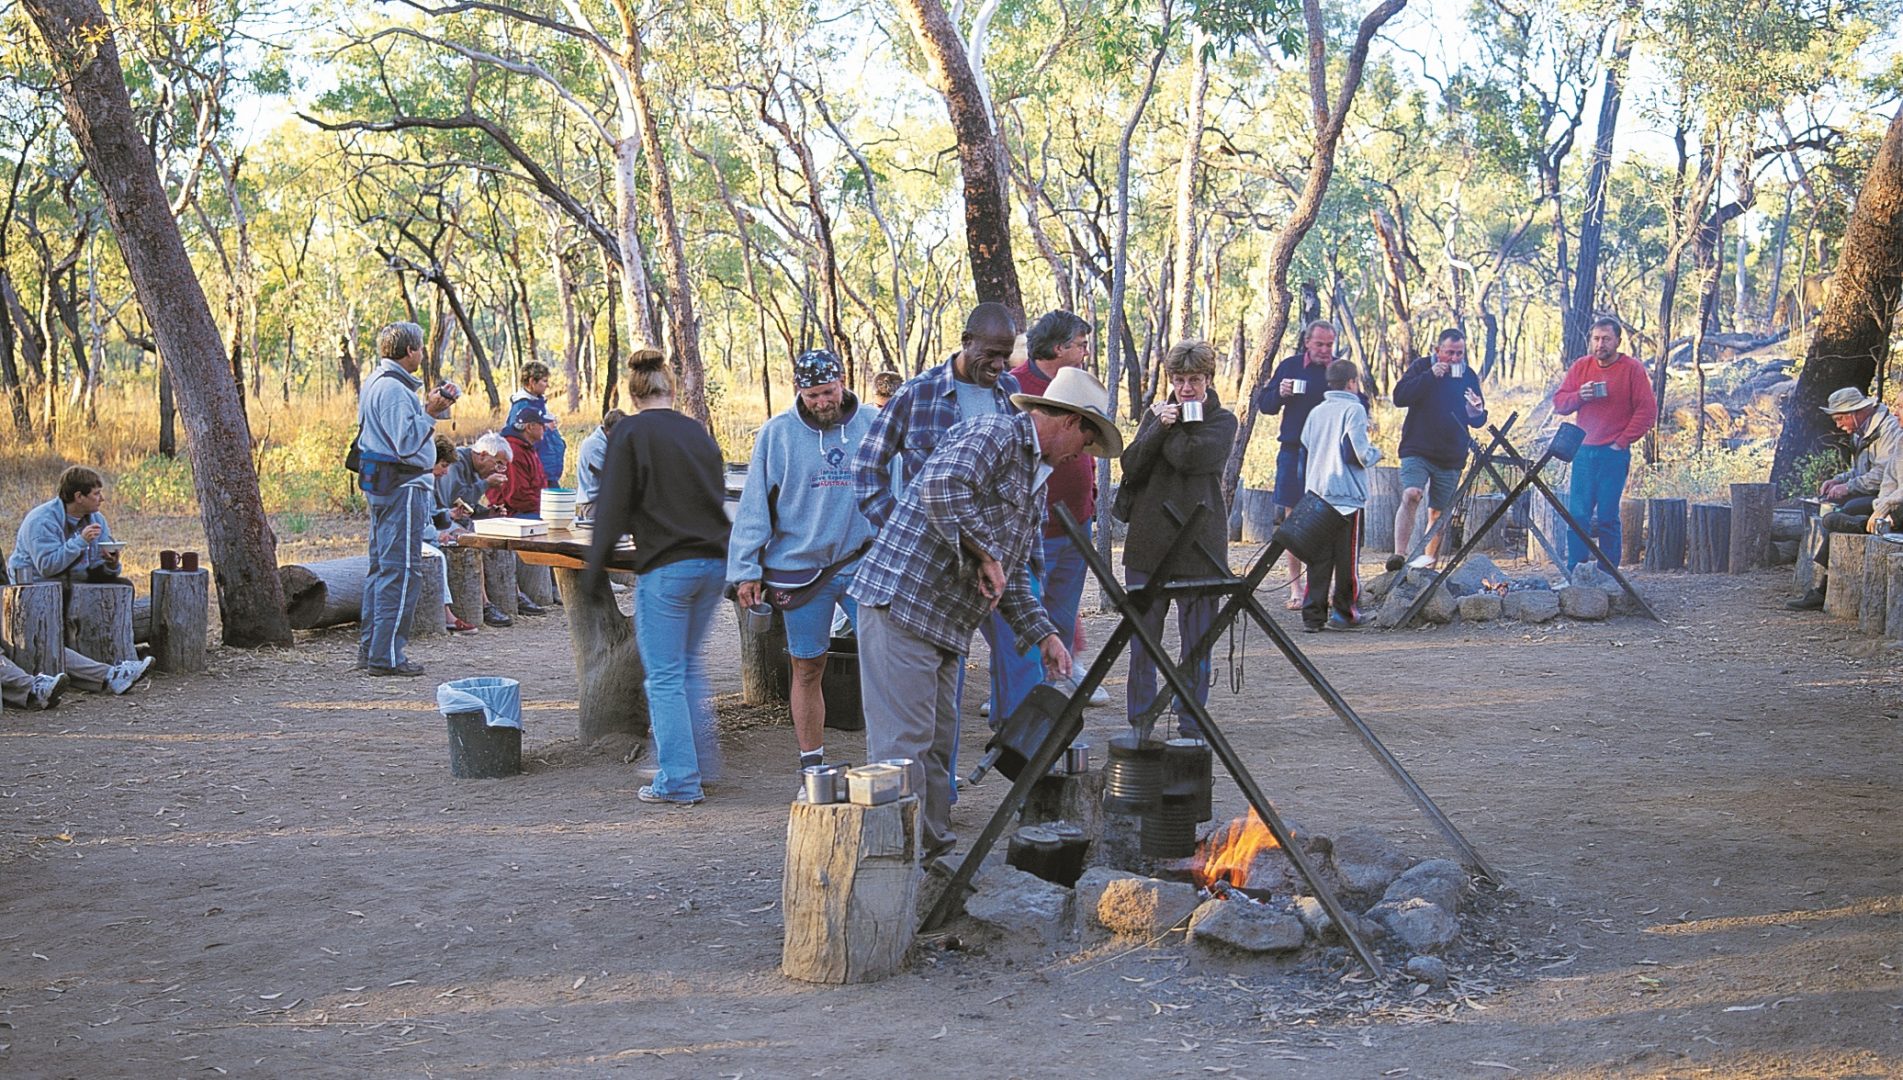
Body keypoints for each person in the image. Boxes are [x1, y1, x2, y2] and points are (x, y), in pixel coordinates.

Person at [851, 365, 1120, 857]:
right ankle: (890, 866)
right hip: (901, 604)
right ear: (1068, 422)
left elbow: (1011, 573)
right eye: (1086, 441)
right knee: (903, 748)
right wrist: (984, 552)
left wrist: (1044, 635)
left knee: (937, 748)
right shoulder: (994, 434)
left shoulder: (1036, 479)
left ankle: (932, 858)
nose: (1081, 454)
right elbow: (941, 488)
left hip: (945, 621)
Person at [853, 303, 1041, 726]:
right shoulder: (917, 394)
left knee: (1022, 659)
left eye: (1005, 355)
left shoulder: (1012, 397)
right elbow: (867, 466)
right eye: (990, 353)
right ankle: (943, 770)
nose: (998, 364)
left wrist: (1026, 559)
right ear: (966, 342)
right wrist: (895, 531)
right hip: (934, 570)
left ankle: (1018, 754)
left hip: (996, 564)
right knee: (936, 699)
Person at [582, 347, 732, 807]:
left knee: (664, 676)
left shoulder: (629, 432)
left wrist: (594, 569)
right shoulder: (697, 432)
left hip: (667, 567)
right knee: (685, 666)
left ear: (633, 394)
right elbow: (715, 492)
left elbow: (612, 506)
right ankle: (698, 763)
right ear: (671, 389)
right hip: (713, 562)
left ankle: (679, 780)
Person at [728, 350, 876, 772]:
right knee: (808, 666)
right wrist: (745, 570)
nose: (822, 402)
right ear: (798, 391)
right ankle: (812, 766)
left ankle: (890, 760)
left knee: (886, 665)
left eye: (828, 392)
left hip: (862, 561)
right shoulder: (777, 434)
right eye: (812, 396)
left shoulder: (871, 423)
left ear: (842, 381)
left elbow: (897, 485)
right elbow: (754, 506)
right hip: (801, 570)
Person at [1119, 340, 1240, 733]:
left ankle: (1190, 722)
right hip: (1148, 543)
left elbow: (1190, 457)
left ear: (1208, 379)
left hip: (1200, 545)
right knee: (1143, 642)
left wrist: (1169, 426)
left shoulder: (1223, 421)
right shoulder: (1157, 416)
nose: (1186, 388)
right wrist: (1157, 425)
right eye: (1178, 380)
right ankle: (1141, 721)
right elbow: (1131, 465)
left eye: (1194, 380)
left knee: (1197, 643)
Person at [1012, 310, 1110, 708]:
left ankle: (1061, 678)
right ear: (1058, 348)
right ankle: (1018, 691)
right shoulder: (1016, 386)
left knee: (1064, 609)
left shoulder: (1081, 387)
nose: (1086, 353)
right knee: (1025, 604)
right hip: (1034, 526)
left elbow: (1086, 450)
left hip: (1076, 520)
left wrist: (1091, 495)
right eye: (1081, 345)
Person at [354, 320, 455, 676]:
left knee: (382, 568)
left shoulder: (375, 381)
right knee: (401, 571)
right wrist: (429, 414)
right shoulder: (395, 390)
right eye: (420, 348)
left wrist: (427, 409)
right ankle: (387, 657)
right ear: (409, 350)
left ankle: (372, 649)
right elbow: (406, 443)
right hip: (403, 487)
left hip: (383, 484)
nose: (422, 354)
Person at [7, 466, 155, 694]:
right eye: (96, 493)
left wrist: (111, 563)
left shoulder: (96, 519)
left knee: (122, 586)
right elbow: (47, 567)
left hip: (75, 583)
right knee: (48, 633)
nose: (101, 499)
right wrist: (80, 542)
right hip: (36, 587)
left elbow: (96, 570)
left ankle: (115, 654)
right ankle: (107, 672)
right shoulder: (42, 520)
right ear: (79, 496)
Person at [1552, 317, 1658, 571]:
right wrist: (1580, 395)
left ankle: (1608, 574)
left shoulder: (1632, 369)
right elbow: (1559, 403)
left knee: (1608, 517)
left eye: (1606, 339)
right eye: (1596, 339)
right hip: (1583, 451)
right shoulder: (1581, 366)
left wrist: (1622, 442)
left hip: (1613, 453)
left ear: (1618, 341)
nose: (1600, 344)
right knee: (1578, 515)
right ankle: (1575, 571)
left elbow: (1647, 411)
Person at [1254, 320, 1343, 609]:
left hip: (1328, 454)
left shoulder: (1339, 370)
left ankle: (1324, 588)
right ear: (1307, 342)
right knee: (1293, 519)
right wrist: (1280, 393)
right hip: (1293, 451)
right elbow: (1265, 405)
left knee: (1328, 519)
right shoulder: (1290, 366)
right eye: (1320, 344)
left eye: (1329, 345)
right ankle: (1295, 587)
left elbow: (1361, 402)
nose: (1325, 350)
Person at [1787, 386, 1902, 611]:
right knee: (1840, 511)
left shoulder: (1890, 430)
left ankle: (1823, 587)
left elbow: (1880, 475)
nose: (1838, 425)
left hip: (1894, 501)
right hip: (1886, 498)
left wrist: (1865, 497)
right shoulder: (1867, 433)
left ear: (1854, 412)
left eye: (1840, 419)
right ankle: (1824, 583)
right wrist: (1840, 480)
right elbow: (1884, 477)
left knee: (1849, 508)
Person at [1300, 359, 1382, 632]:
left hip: (1318, 495)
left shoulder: (1317, 411)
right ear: (1351, 382)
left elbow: (1305, 445)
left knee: (1318, 558)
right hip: (1346, 496)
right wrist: (1376, 454)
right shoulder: (1354, 409)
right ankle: (1345, 613)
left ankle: (1312, 616)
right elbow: (1359, 452)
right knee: (1347, 560)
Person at [1391, 329, 1487, 563]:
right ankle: (1399, 555)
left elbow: (1477, 419)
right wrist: (1430, 376)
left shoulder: (1468, 375)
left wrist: (1476, 411)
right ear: (1437, 350)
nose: (1455, 358)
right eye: (1450, 353)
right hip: (1417, 447)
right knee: (1412, 494)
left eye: (1459, 354)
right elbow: (1399, 397)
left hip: (1451, 453)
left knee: (1439, 513)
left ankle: (1428, 566)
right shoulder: (1422, 367)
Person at [437, 431, 515, 627]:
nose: (500, 470)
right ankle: (484, 603)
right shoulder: (456, 464)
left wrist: (487, 512)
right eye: (498, 464)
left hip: (453, 518)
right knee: (471, 540)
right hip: (439, 519)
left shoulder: (474, 469)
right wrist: (485, 485)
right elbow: (453, 501)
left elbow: (466, 507)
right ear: (483, 455)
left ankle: (514, 592)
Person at [489, 405, 554, 616]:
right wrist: (545, 508)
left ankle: (556, 583)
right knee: (551, 527)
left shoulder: (528, 448)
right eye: (542, 425)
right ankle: (546, 586)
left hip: (530, 507)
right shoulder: (515, 451)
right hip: (514, 513)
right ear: (530, 427)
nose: (545, 428)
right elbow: (516, 495)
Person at [423, 436, 477, 634]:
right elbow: (415, 525)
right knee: (437, 556)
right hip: (410, 539)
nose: (445, 472)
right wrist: (437, 535)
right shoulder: (419, 484)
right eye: (443, 466)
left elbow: (430, 514)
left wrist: (449, 515)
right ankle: (447, 614)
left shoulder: (428, 484)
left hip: (425, 535)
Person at [507, 361, 567, 486]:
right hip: (537, 475)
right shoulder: (522, 407)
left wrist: (560, 442)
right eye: (544, 381)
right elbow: (520, 441)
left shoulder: (539, 403)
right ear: (532, 382)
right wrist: (546, 428)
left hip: (548, 473)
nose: (548, 385)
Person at [574, 409, 627, 519]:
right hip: (592, 504)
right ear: (609, 431)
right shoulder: (595, 446)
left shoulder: (607, 442)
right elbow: (612, 477)